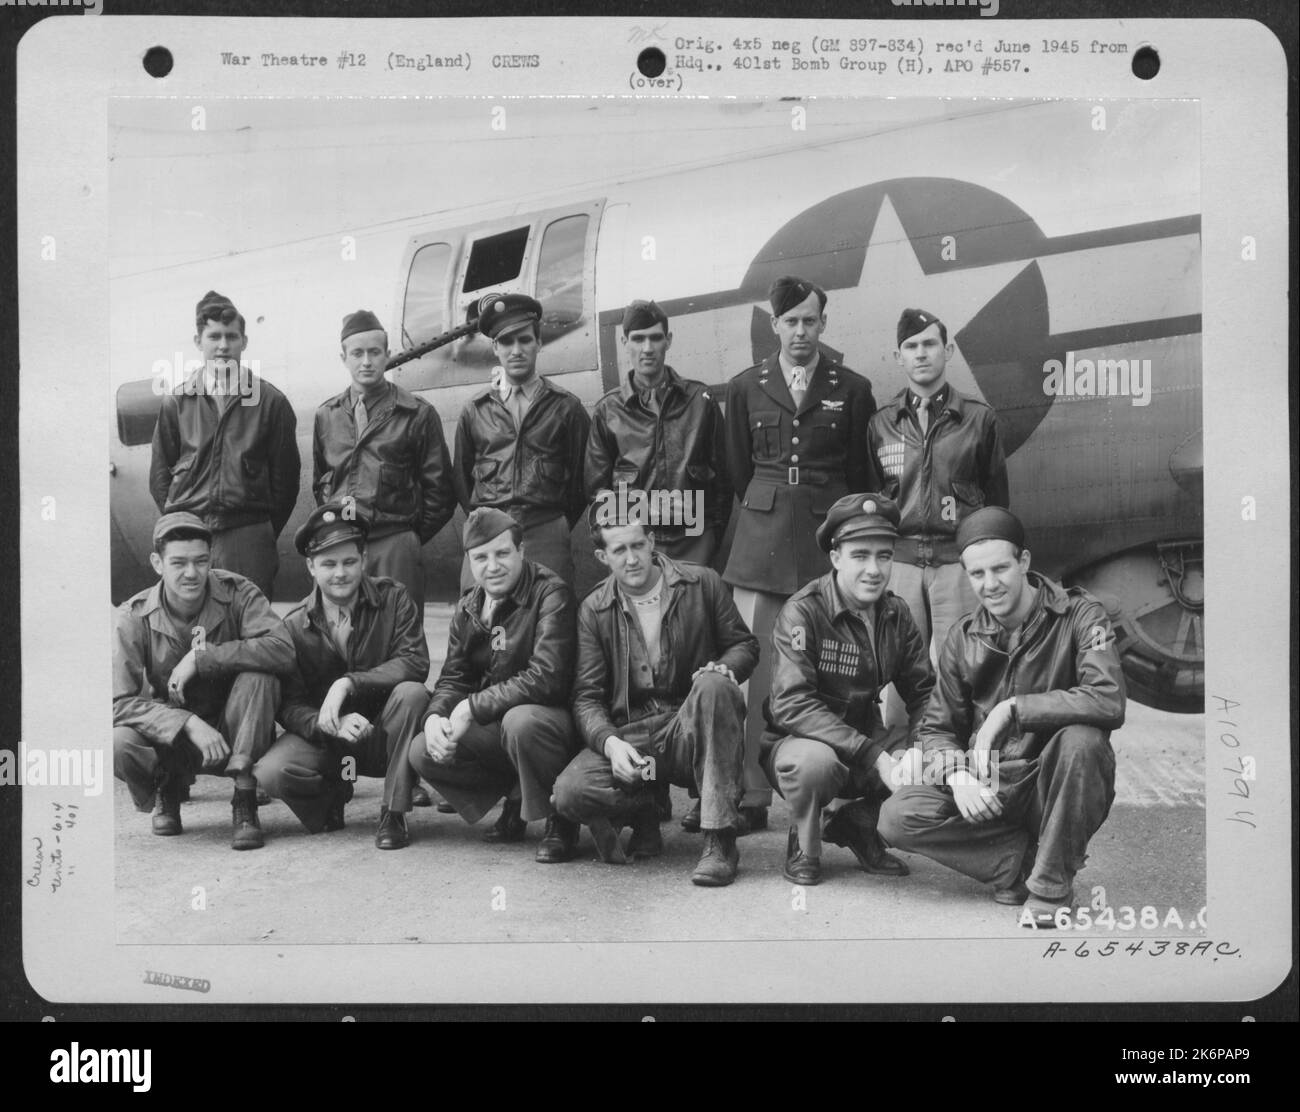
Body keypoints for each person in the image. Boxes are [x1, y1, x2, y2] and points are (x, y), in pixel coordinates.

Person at [877, 507, 1126, 927]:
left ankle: (1050, 888)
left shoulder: (1081, 615)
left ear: (1024, 562)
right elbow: (937, 727)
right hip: (989, 781)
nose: (989, 585)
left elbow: (1107, 699)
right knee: (897, 817)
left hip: (1050, 779)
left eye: (1000, 569)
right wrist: (958, 776)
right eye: (977, 575)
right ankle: (1023, 862)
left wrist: (1011, 711)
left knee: (1084, 740)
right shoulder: (962, 636)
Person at [719, 275, 880, 834]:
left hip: (821, 544)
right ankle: (750, 794)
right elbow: (737, 469)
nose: (801, 331)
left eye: (810, 321)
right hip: (760, 543)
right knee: (756, 668)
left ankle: (829, 792)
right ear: (774, 325)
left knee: (830, 668)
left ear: (824, 324)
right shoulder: (745, 387)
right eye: (790, 322)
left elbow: (860, 478)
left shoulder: (852, 388)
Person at [553, 508, 759, 886]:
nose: (631, 559)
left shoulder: (702, 583)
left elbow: (744, 645)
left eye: (637, 545)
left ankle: (720, 840)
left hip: (690, 725)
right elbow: (586, 697)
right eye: (619, 550)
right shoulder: (593, 609)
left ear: (652, 541)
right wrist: (611, 744)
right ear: (603, 557)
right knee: (570, 793)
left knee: (715, 686)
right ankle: (645, 806)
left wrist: (726, 668)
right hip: (634, 737)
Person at [761, 494, 934, 885]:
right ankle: (805, 842)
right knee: (814, 765)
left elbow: (924, 692)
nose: (874, 569)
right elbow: (791, 705)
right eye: (860, 556)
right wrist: (876, 755)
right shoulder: (803, 612)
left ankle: (858, 824)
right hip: (801, 742)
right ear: (835, 557)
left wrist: (917, 748)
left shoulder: (896, 613)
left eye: (884, 556)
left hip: (866, 739)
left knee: (936, 761)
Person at [396, 508, 581, 859]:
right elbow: (454, 676)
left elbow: (548, 676)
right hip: (498, 724)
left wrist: (471, 707)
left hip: (550, 724)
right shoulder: (469, 606)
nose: (492, 566)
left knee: (521, 722)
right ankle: (515, 795)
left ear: (521, 552)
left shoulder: (551, 594)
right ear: (469, 561)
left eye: (502, 554)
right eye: (480, 557)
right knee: (423, 749)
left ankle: (561, 817)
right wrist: (435, 716)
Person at [252, 503, 431, 847]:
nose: (340, 573)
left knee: (413, 693)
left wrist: (348, 682)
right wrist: (325, 721)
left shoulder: (393, 599)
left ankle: (393, 813)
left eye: (349, 562)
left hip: (385, 733)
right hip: (331, 739)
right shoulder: (293, 625)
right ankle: (330, 797)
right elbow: (289, 705)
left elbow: (415, 661)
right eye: (329, 564)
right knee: (272, 771)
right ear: (310, 567)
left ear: (364, 560)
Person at [113, 512, 294, 850]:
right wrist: (187, 723)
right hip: (173, 737)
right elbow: (116, 704)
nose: (191, 573)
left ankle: (244, 794)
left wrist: (203, 657)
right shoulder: (133, 616)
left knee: (261, 676)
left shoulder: (238, 593)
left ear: (212, 558)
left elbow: (282, 650)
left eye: (200, 561)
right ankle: (168, 786)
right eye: (178, 563)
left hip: (236, 727)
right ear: (157, 563)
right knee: (120, 741)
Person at [868, 308, 1008, 688]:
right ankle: (903, 747)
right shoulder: (881, 424)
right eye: (911, 346)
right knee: (899, 678)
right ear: (899, 357)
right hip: (902, 564)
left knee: (966, 671)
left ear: (946, 350)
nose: (921, 353)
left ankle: (968, 747)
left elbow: (996, 503)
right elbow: (874, 499)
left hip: (956, 563)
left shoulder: (979, 420)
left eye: (930, 343)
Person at [149, 290, 300, 599]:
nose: (222, 346)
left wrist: (259, 531)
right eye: (214, 336)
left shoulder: (271, 402)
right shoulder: (177, 402)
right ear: (198, 342)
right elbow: (160, 475)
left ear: (244, 342)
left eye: (231, 336)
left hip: (247, 537)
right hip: (191, 534)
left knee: (248, 630)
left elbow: (286, 482)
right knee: (192, 629)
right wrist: (181, 522)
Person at [312, 308, 457, 609]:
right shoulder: (327, 416)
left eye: (375, 352)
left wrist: (408, 537)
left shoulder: (417, 413)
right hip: (343, 545)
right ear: (344, 358)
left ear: (387, 355)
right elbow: (321, 484)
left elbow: (440, 492)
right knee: (341, 636)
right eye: (357, 353)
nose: (366, 361)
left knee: (400, 635)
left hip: (396, 545)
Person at [453, 292, 590, 587]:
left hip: (545, 535)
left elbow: (583, 480)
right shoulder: (474, 411)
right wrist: (489, 519)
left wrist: (557, 524)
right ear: (495, 347)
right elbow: (462, 482)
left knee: (551, 622)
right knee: (480, 623)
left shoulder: (566, 407)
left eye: (525, 340)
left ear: (539, 343)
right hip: (488, 534)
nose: (516, 350)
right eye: (506, 341)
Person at [585, 299, 731, 566]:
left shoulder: (701, 401)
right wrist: (643, 512)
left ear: (669, 340)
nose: (647, 348)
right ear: (624, 342)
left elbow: (723, 483)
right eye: (638, 339)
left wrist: (710, 538)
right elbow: (597, 494)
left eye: (656, 338)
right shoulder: (608, 410)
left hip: (694, 543)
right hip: (635, 546)